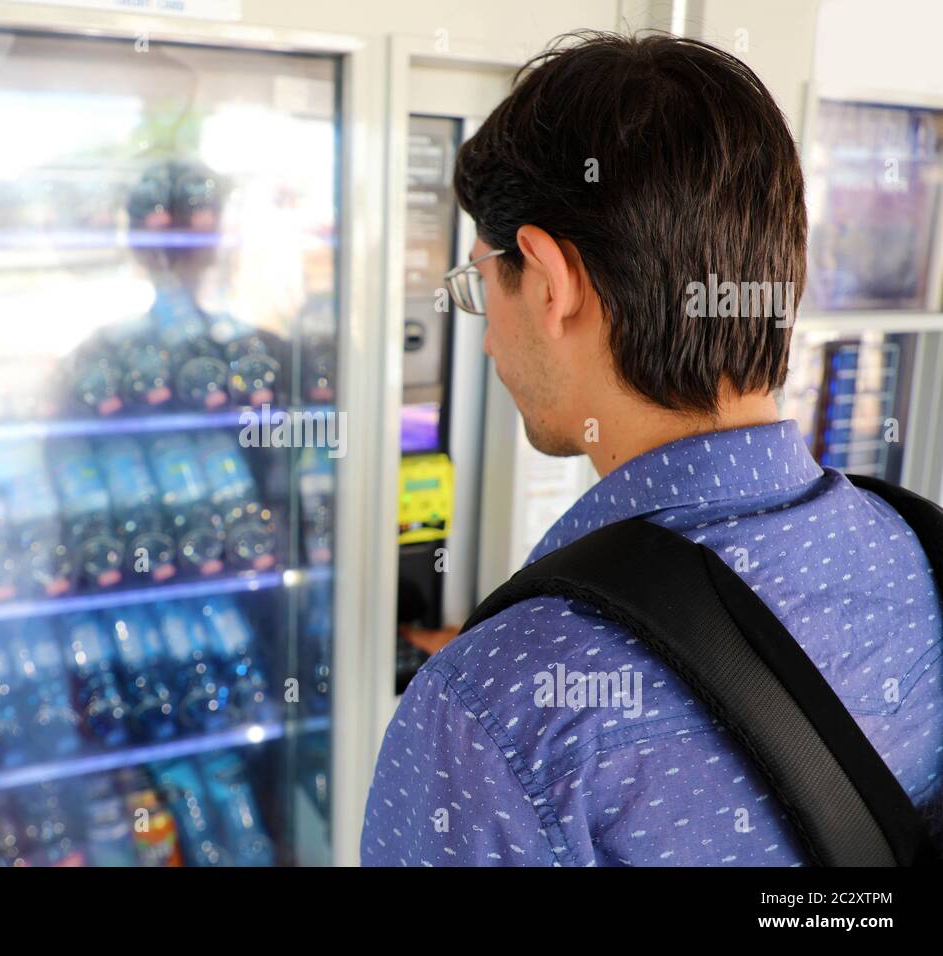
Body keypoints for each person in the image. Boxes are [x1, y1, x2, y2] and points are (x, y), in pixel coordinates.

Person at [362, 31, 943, 866]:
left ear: (550, 281)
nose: (487, 342)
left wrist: (500, 669)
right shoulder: (920, 553)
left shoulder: (492, 713)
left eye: (479, 286)